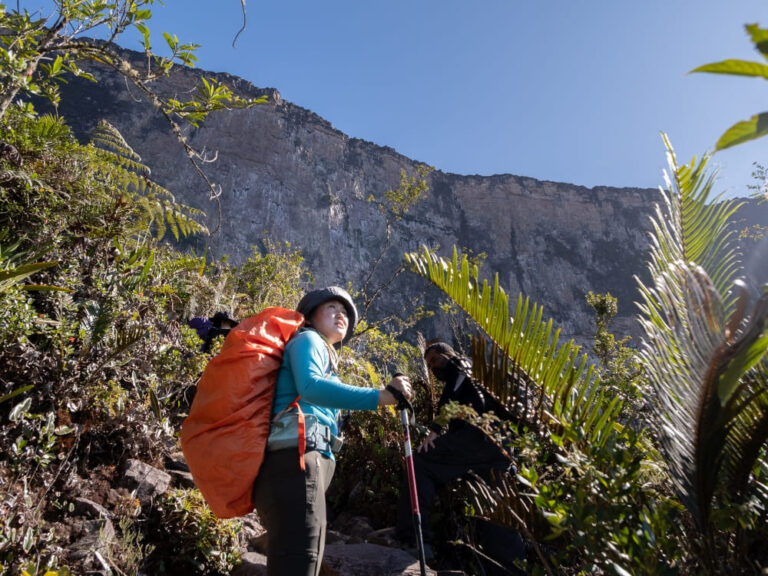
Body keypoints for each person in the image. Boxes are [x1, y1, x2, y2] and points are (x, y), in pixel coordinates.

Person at [251, 286, 412, 576]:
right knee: (300, 560)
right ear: (310, 317)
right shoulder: (308, 340)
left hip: (301, 459)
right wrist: (380, 396)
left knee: (301, 558)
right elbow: (310, 387)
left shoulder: (323, 354)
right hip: (297, 457)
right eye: (331, 308)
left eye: (346, 312)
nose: (341, 315)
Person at [395, 341, 518, 563]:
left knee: (420, 463)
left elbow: (450, 395)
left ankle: (413, 539)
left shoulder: (461, 365)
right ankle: (508, 566)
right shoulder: (481, 373)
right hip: (501, 446)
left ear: (446, 354)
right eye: (429, 365)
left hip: (478, 438)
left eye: (434, 360)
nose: (433, 368)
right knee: (494, 507)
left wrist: (434, 431)